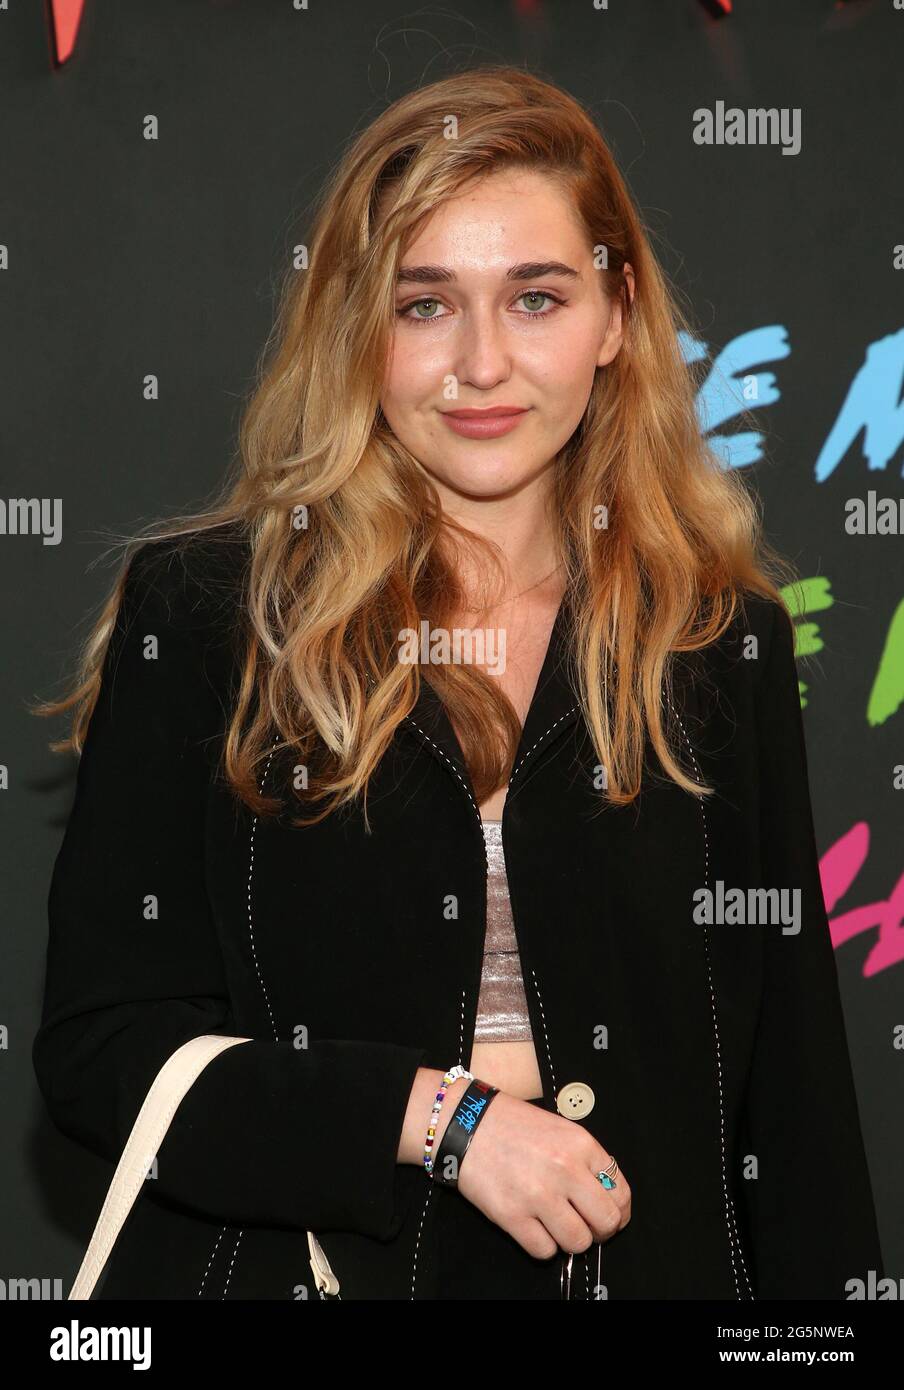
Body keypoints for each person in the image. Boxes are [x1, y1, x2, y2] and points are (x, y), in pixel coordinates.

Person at [33, 65, 883, 1300]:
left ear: (616, 317)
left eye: (535, 298)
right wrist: (440, 1119)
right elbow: (99, 1054)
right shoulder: (213, 617)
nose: (482, 363)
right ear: (356, 328)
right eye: (425, 305)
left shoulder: (709, 637)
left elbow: (790, 1093)